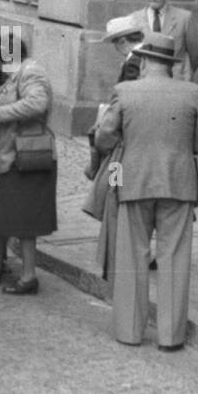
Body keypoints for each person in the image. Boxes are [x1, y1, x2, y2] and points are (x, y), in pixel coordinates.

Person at [95, 33, 198, 349]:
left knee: (132, 255)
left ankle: (130, 332)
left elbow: (103, 138)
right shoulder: (191, 93)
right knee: (174, 257)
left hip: (134, 181)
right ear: (171, 65)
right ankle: (170, 337)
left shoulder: (125, 91)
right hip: (179, 182)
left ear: (145, 61)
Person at [0, 38, 55, 295]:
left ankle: (28, 277)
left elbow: (38, 104)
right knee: (1, 213)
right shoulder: (18, 73)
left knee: (25, 219)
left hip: (26, 158)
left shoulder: (31, 71)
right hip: (10, 156)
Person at [83, 15, 146, 281]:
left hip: (126, 144)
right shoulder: (151, 56)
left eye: (114, 43)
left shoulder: (133, 63)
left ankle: (120, 253)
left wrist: (102, 135)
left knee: (115, 192)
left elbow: (123, 104)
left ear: (122, 41)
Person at [131, 0, 198, 82]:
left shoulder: (184, 18)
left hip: (176, 85)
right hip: (145, 85)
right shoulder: (135, 19)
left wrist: (191, 88)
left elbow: (197, 60)